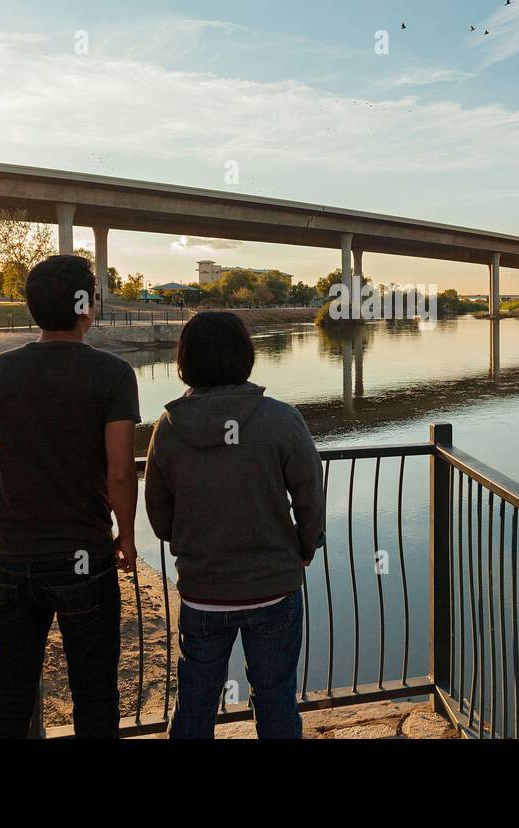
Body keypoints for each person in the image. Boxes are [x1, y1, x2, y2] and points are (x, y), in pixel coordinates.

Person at [0, 254, 140, 738]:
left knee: (9, 697)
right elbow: (119, 472)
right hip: (85, 560)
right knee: (94, 696)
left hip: (13, 562)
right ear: (86, 307)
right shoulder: (113, 375)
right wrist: (127, 536)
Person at [144, 311, 324, 738]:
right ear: (246, 355)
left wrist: (188, 541)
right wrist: (304, 547)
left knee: (195, 703)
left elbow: (157, 511)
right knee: (276, 696)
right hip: (273, 588)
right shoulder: (281, 419)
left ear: (185, 361)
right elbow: (310, 495)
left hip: (204, 591)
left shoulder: (168, 429)